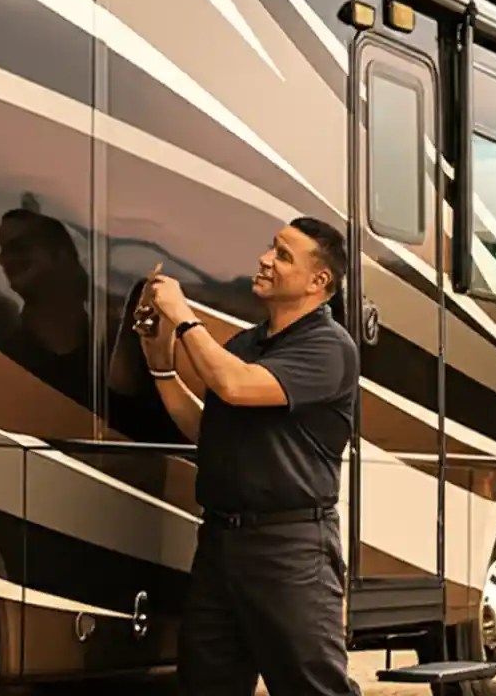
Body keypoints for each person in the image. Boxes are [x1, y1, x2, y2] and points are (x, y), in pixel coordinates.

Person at [136, 216, 362, 696]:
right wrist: (160, 366)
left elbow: (235, 385)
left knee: (312, 688)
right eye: (270, 247)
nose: (265, 259)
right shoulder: (246, 344)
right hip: (220, 544)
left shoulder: (329, 347)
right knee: (205, 685)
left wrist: (184, 316)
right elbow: (209, 431)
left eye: (283, 255)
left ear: (319, 281)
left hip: (290, 550)